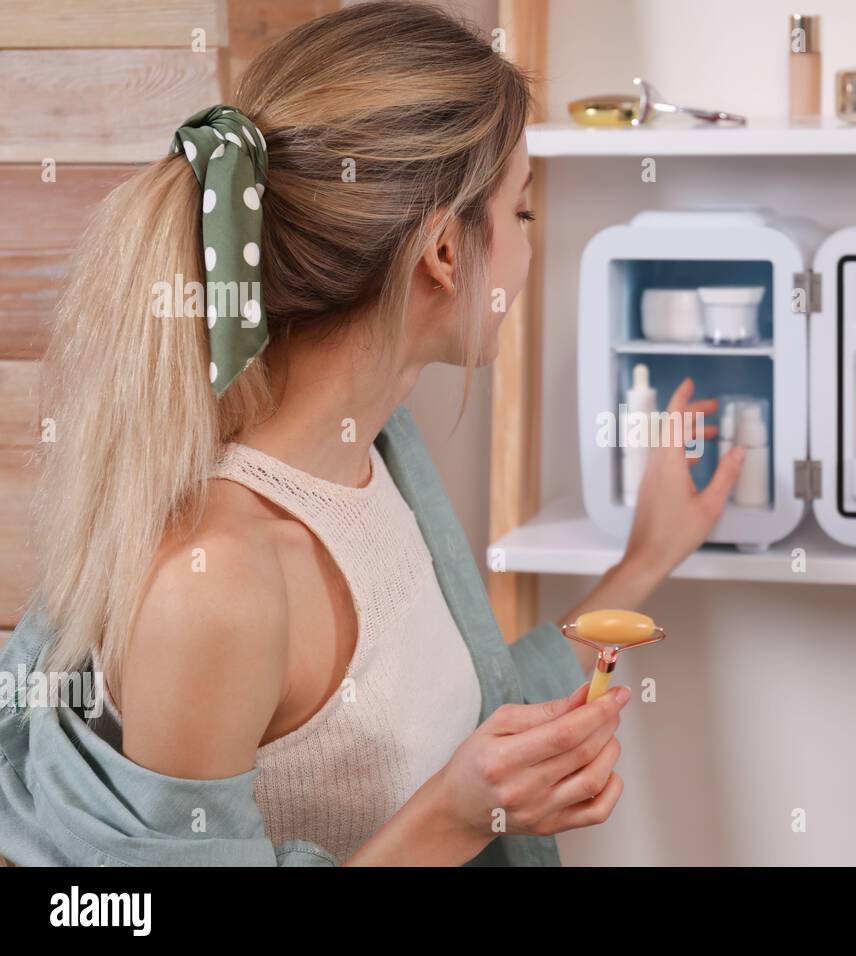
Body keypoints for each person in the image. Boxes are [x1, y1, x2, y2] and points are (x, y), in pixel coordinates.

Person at [5, 0, 743, 866]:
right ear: (443, 253)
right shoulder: (214, 587)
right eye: (522, 215)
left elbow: (465, 721)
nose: (530, 251)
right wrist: (456, 821)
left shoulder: (374, 453)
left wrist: (646, 554)